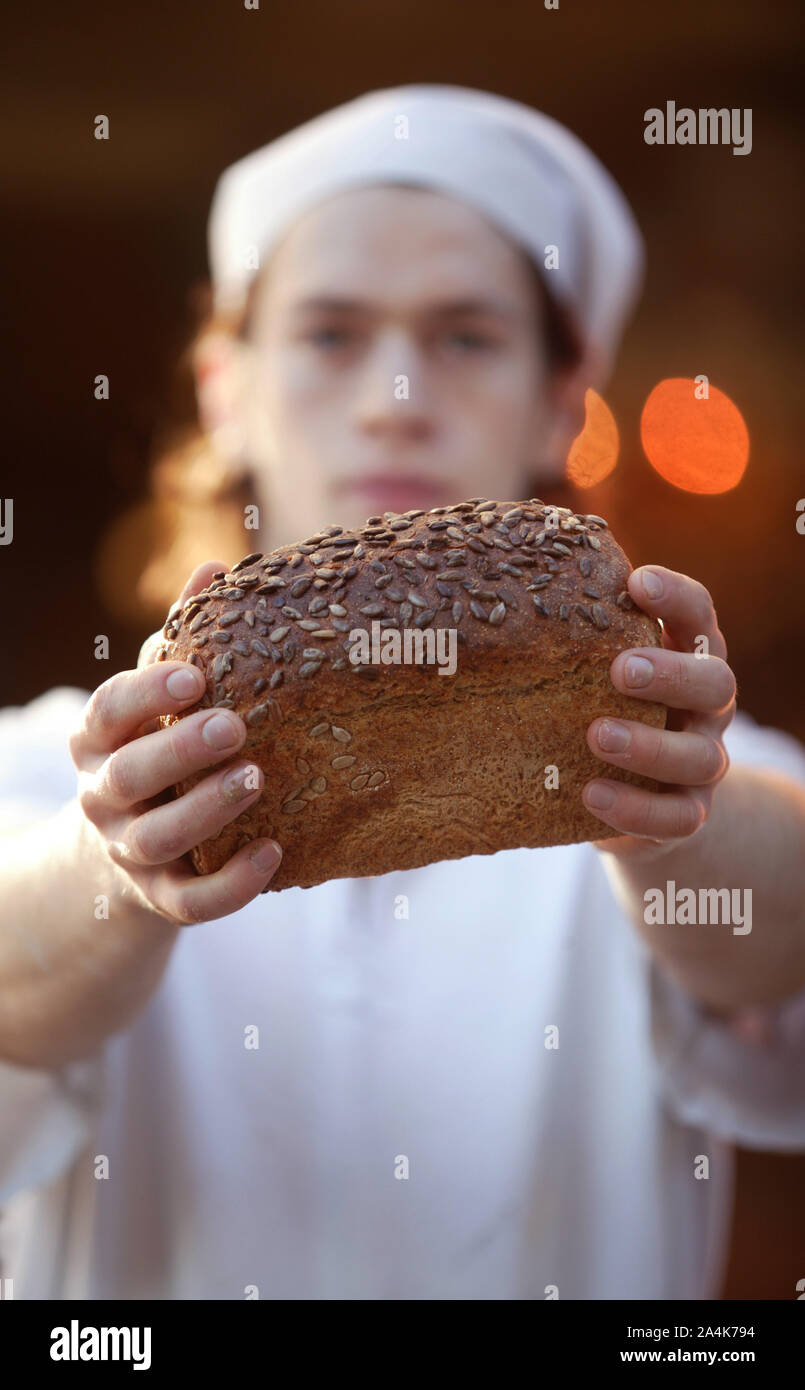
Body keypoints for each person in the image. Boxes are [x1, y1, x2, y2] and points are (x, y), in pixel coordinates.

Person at [1, 84, 804, 1301]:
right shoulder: (48, 769)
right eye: (329, 334)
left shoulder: (692, 750)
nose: (395, 397)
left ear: (559, 397)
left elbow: (779, 950)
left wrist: (678, 809)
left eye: (465, 336)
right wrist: (113, 872)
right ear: (227, 386)